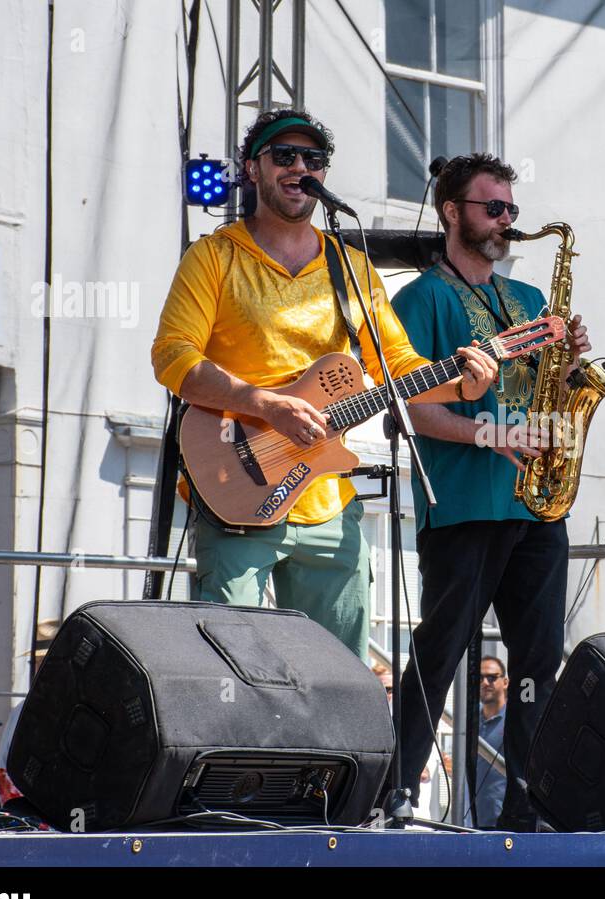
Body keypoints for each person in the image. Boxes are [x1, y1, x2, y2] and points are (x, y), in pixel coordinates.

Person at [151, 109, 497, 660]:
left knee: (340, 677)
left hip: (327, 496)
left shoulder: (351, 265)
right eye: (283, 156)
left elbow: (397, 365)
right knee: (225, 663)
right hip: (237, 482)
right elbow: (172, 356)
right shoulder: (215, 256)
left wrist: (462, 385)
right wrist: (263, 403)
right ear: (252, 169)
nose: (299, 168)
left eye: (312, 159)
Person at [389, 153, 590, 831]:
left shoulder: (529, 301)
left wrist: (569, 369)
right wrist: (484, 436)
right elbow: (408, 405)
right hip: (465, 509)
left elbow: (544, 395)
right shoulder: (421, 300)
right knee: (440, 652)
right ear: (452, 212)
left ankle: (528, 814)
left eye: (510, 209)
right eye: (492, 208)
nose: (506, 221)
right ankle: (394, 794)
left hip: (536, 505)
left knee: (539, 664)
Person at [471, 655, 508, 828]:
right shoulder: (469, 721)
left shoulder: (515, 721)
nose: (485, 683)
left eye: (492, 677)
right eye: (479, 678)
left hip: (505, 822)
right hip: (471, 820)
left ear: (505, 682)